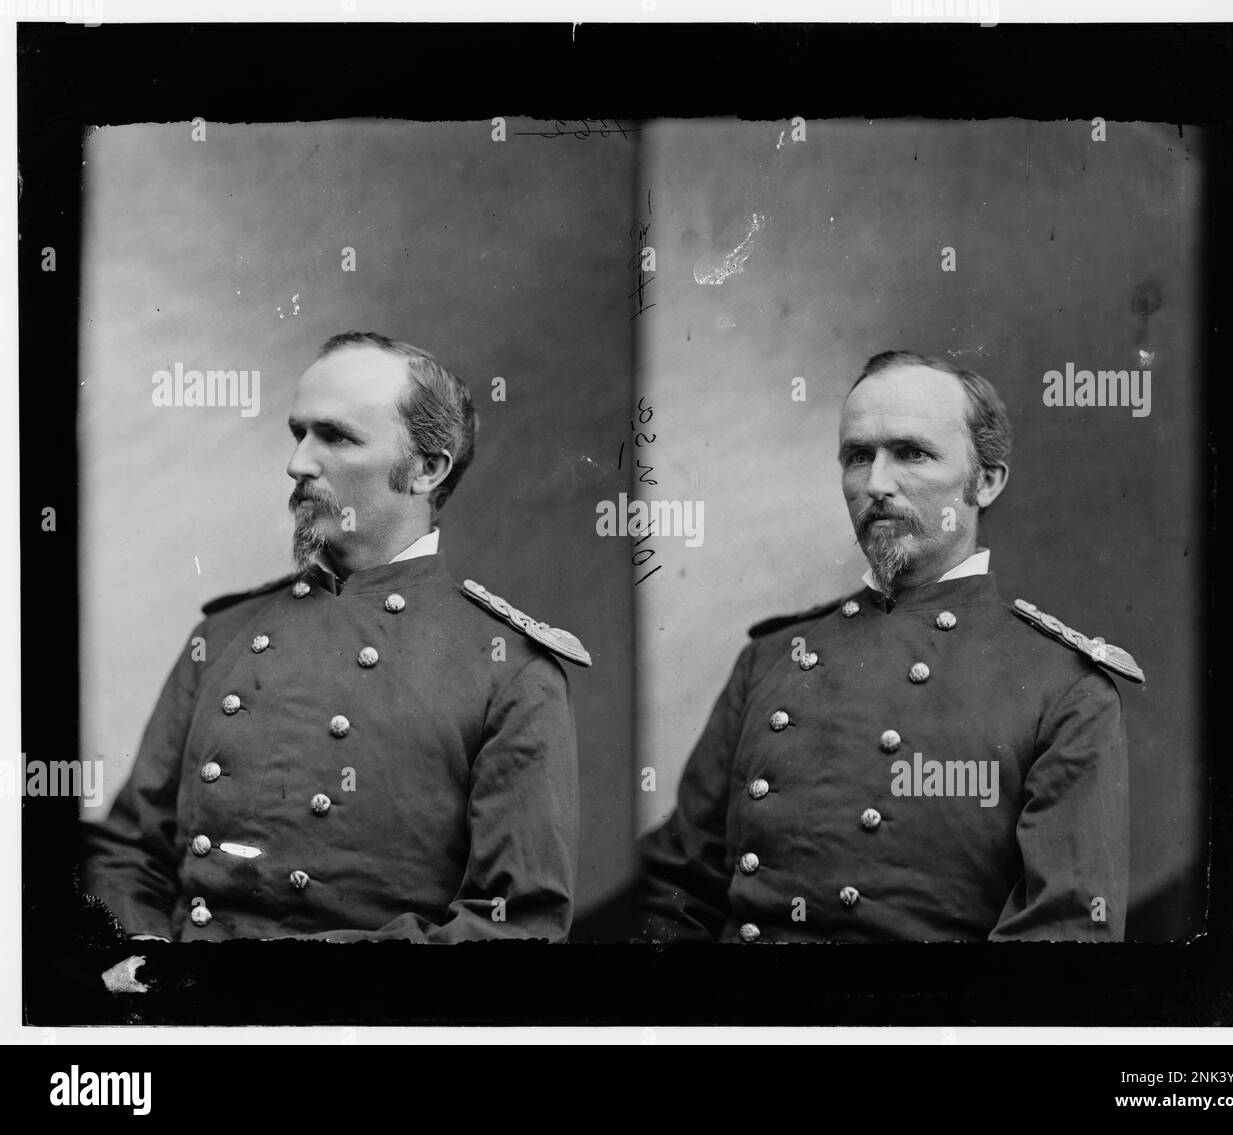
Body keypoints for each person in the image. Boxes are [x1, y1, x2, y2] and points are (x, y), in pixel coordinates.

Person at [82, 331, 588, 944]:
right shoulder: (223, 635)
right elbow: (129, 849)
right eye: (298, 433)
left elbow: (516, 925)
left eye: (336, 436)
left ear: (427, 469)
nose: (297, 463)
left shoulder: (509, 668)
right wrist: (144, 954)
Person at [638, 350, 1142, 944]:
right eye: (858, 457)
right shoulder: (772, 658)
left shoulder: (1065, 687)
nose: (876, 484)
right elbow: (671, 892)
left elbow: (1065, 936)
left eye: (912, 454)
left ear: (985, 481)